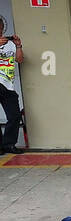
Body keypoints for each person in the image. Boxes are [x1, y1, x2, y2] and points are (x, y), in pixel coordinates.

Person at [0, 16, 23, 154]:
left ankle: (9, 144)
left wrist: (18, 45)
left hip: (8, 85)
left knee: (14, 115)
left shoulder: (9, 44)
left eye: (1, 29)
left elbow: (19, 59)